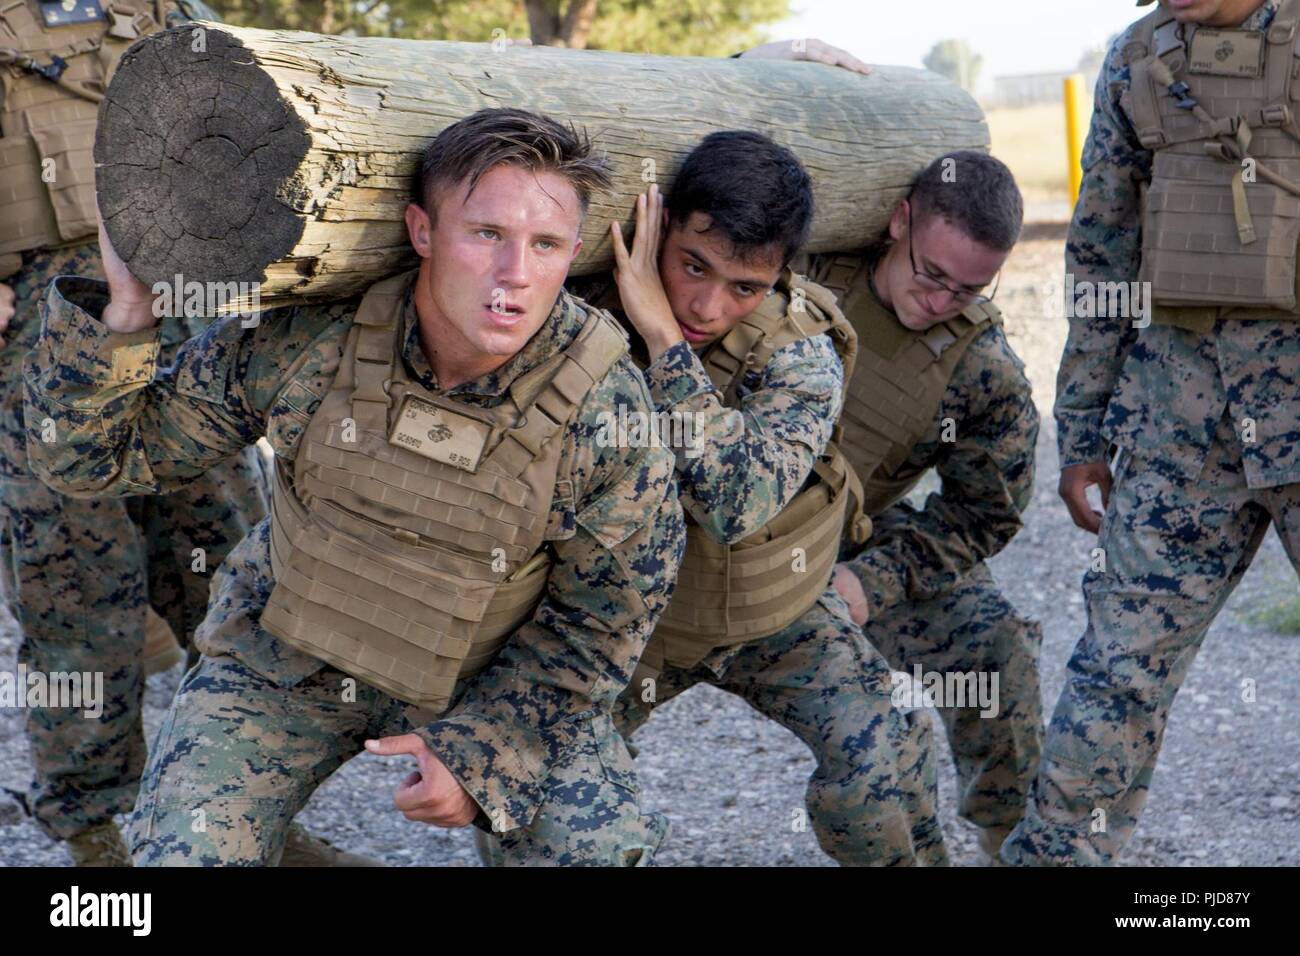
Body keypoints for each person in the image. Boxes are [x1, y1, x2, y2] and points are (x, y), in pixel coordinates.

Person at [24, 106, 686, 866]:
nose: (517, 276)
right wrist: (127, 313)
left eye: (547, 245)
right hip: (287, 655)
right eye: (487, 235)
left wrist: (486, 749)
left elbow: (607, 621)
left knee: (594, 851)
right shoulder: (316, 339)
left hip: (486, 674)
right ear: (423, 231)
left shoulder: (606, 405)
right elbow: (97, 461)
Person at [559, 131, 946, 865]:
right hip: (635, 622)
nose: (708, 304)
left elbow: (733, 502)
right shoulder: (577, 311)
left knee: (884, 765)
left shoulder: (802, 349)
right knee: (531, 787)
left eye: (745, 288)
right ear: (658, 230)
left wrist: (663, 336)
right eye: (690, 266)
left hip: (773, 607)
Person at [1004, 0, 1300, 865]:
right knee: (1117, 672)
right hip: (1182, 425)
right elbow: (1101, 252)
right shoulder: (1137, 58)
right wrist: (1084, 429)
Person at [0, 0, 284, 866]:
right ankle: (95, 838)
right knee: (73, 593)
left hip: (180, 312)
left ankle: (248, 811)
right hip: (42, 332)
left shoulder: (158, 8)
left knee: (229, 569)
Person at [802, 151, 1044, 863]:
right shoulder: (799, 268)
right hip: (700, 538)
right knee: (552, 712)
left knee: (997, 653)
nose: (940, 301)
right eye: (931, 274)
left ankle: (1013, 843)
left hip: (840, 548)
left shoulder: (979, 365)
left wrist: (871, 582)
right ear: (898, 221)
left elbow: (984, 515)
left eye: (968, 289)